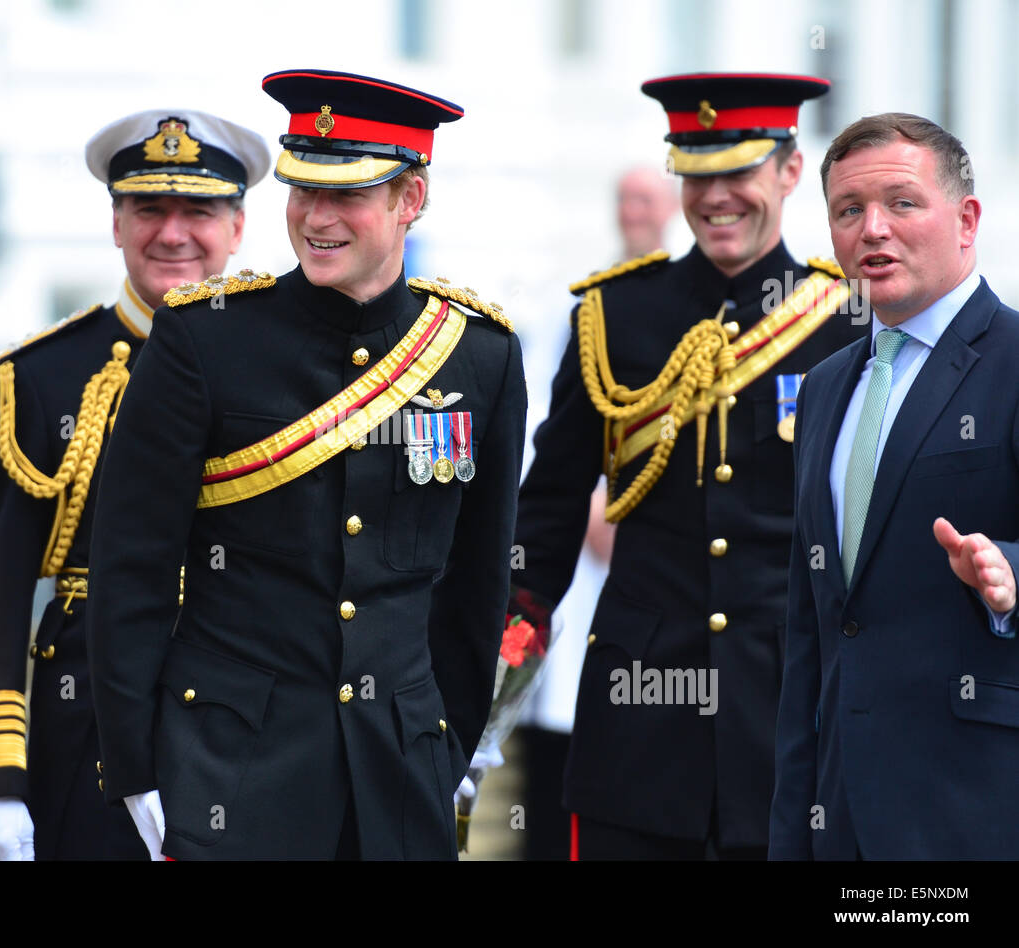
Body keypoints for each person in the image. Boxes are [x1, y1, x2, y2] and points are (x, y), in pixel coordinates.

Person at [85, 68, 527, 860]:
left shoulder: (480, 355)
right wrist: (134, 765)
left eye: (347, 194)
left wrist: (444, 747)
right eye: (302, 190)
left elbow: (475, 585)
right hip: (230, 772)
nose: (316, 218)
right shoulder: (204, 340)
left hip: (399, 774)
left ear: (410, 200)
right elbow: (132, 565)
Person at [506, 73, 865, 860]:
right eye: (697, 172)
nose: (717, 196)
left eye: (738, 171)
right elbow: (551, 506)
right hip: (637, 728)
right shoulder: (613, 315)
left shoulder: (847, 322)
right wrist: (498, 667)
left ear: (790, 171)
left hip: (789, 718)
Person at [0, 109, 269, 860]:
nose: (172, 234)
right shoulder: (42, 376)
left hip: (256, 726)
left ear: (237, 226)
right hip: (88, 725)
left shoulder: (287, 363)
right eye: (148, 210)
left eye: (198, 211)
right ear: (117, 223)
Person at [771, 114, 1019, 860]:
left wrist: (1011, 571)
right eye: (849, 210)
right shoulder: (823, 387)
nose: (872, 228)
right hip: (841, 816)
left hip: (976, 812)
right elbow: (811, 631)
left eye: (902, 203)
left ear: (966, 218)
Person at [513, 163, 676, 861]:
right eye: (625, 199)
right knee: (557, 757)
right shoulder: (585, 308)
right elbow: (550, 434)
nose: (633, 210)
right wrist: (594, 514)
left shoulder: (695, 307)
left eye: (645, 198)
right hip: (583, 554)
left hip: (663, 568)